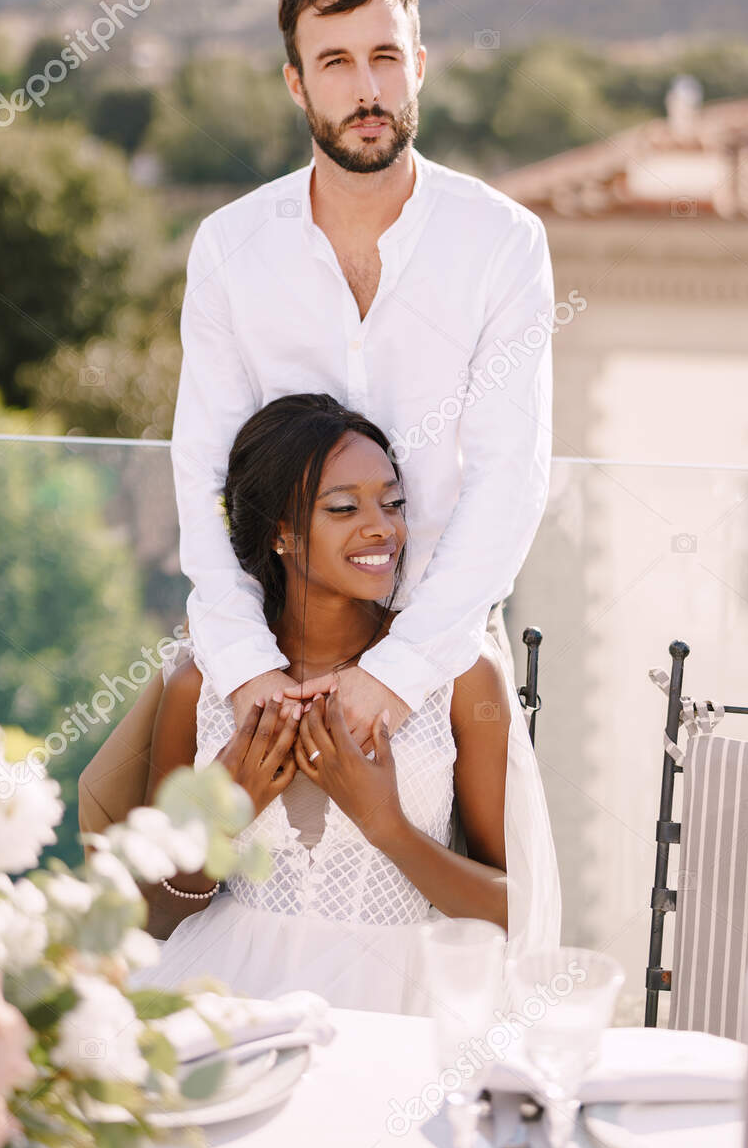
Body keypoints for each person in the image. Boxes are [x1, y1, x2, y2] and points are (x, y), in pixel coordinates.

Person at [171, 0, 559, 764]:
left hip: (442, 652)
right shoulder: (230, 247)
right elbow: (203, 469)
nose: (368, 87)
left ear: (418, 64)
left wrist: (399, 670)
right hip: (273, 653)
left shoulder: (501, 241)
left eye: (385, 56)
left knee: (470, 889)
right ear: (296, 82)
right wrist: (245, 666)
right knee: (188, 872)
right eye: (336, 61)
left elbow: (509, 473)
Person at [134, 394, 560, 1013]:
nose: (382, 528)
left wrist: (386, 824)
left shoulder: (459, 678)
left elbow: (507, 907)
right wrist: (221, 823)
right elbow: (154, 905)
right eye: (343, 507)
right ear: (280, 531)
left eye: (393, 503)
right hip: (229, 991)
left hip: (402, 1002)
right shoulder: (200, 688)